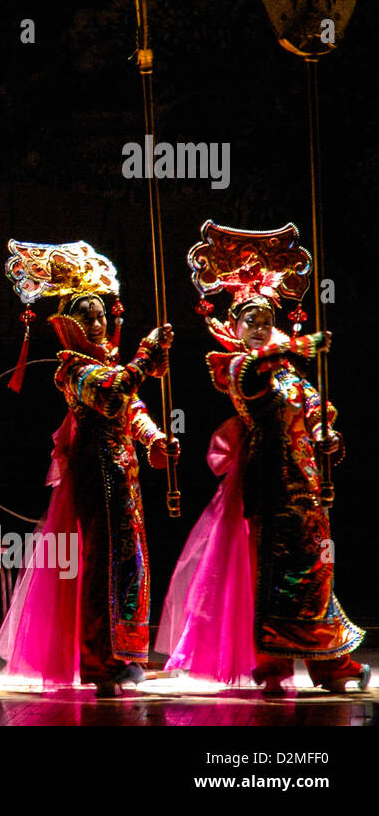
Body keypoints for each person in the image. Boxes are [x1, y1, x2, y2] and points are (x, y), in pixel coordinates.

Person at [157, 224, 367, 694]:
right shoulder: (236, 366)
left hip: (305, 486)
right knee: (271, 576)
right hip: (267, 487)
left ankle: (329, 662)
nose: (258, 326)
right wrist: (293, 345)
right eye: (249, 320)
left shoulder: (291, 375)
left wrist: (325, 434)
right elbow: (252, 379)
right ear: (231, 327)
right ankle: (273, 666)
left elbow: (314, 409)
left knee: (315, 570)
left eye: (265, 319)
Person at [0, 241, 175, 696]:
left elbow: (131, 409)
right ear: (69, 325)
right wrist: (144, 358)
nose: (97, 324)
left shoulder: (109, 365)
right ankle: (98, 662)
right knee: (99, 566)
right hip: (96, 474)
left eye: (100, 315)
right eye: (87, 317)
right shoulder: (75, 370)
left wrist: (155, 439)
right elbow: (113, 395)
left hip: (124, 474)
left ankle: (126, 653)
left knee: (129, 563)